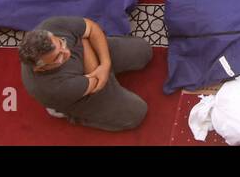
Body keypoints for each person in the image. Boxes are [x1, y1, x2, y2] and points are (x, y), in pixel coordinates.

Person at [18, 18, 153, 131]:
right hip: (81, 91)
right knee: (136, 113)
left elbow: (91, 27)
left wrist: (105, 64)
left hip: (88, 64)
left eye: (61, 43)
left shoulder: (50, 26)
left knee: (143, 50)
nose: (66, 53)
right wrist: (84, 40)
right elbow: (98, 81)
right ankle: (70, 114)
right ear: (40, 68)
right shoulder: (52, 87)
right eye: (57, 58)